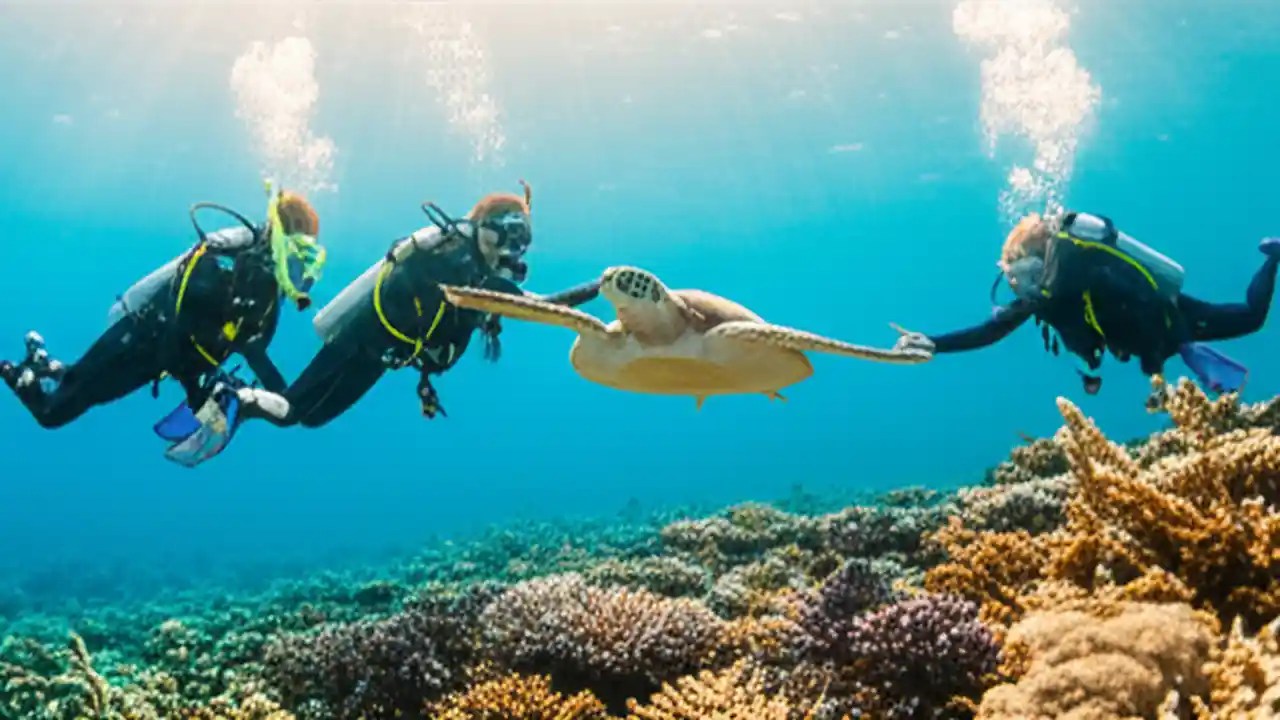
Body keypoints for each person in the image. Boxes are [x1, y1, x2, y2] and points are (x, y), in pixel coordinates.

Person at [0, 184, 326, 465]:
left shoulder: (262, 288)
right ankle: (19, 374)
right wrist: (207, 385)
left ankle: (44, 364)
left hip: (155, 357)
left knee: (84, 388)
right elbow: (191, 320)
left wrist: (282, 398)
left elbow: (241, 344)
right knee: (53, 413)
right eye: (300, 254)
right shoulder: (237, 266)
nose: (303, 268)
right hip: (137, 337)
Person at [237, 180, 600, 429]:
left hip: (383, 356)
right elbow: (542, 306)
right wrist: (602, 287)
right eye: (512, 234)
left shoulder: (476, 275)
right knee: (290, 413)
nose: (516, 248)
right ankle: (242, 395)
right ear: (487, 228)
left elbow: (528, 305)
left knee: (308, 418)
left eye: (524, 239)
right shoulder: (455, 258)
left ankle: (250, 363)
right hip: (357, 339)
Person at [892, 210, 1280, 403]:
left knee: (1251, 317)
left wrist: (1164, 363)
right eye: (1014, 278)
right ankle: (1274, 258)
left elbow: (1148, 304)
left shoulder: (1082, 269)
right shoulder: (1041, 299)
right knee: (1251, 317)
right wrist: (934, 343)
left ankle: (1273, 257)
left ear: (1042, 261)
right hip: (1156, 331)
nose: (1023, 287)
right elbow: (990, 331)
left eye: (1026, 273)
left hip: (1168, 322)